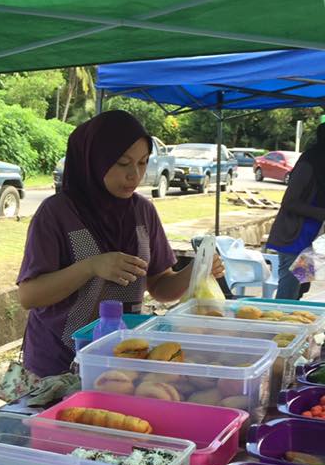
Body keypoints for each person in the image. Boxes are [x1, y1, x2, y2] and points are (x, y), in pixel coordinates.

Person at [17, 110, 224, 378]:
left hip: (122, 359)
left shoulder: (143, 212)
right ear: (94, 161)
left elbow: (161, 286)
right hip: (57, 362)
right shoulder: (57, 213)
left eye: (142, 163)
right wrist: (91, 266)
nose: (134, 175)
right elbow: (29, 295)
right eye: (122, 163)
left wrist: (196, 270)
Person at [266, 123, 325, 300]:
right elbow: (289, 202)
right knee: (288, 293)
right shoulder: (309, 163)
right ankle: (279, 327)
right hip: (294, 239)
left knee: (300, 289)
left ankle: (290, 325)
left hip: (313, 242)